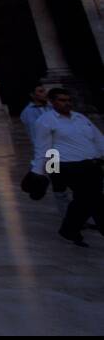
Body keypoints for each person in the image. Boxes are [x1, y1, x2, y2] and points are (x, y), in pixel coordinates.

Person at [31, 87, 104, 247]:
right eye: (62, 100)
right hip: (68, 166)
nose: (67, 103)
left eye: (68, 100)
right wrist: (40, 171)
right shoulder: (45, 121)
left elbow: (97, 138)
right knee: (92, 198)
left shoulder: (80, 118)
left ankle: (68, 229)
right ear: (52, 102)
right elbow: (43, 148)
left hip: (90, 164)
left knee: (86, 200)